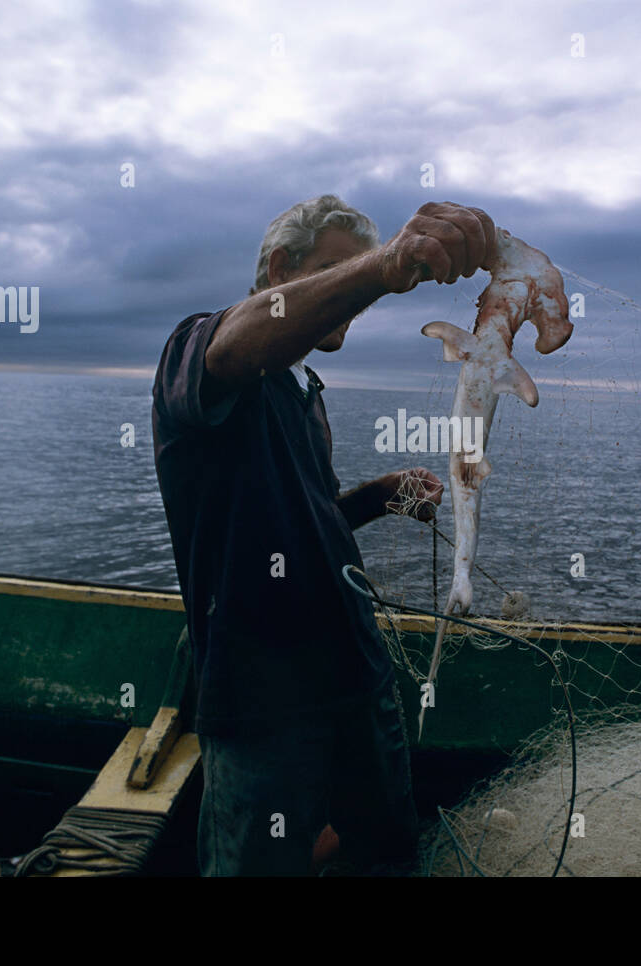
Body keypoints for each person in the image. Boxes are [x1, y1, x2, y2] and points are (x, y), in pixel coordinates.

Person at [151, 196, 499, 875]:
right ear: (281, 269)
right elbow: (231, 346)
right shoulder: (204, 352)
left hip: (355, 675)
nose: (357, 294)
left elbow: (306, 523)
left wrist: (379, 497)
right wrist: (387, 265)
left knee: (383, 856)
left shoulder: (305, 390)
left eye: (361, 275)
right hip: (262, 698)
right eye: (337, 271)